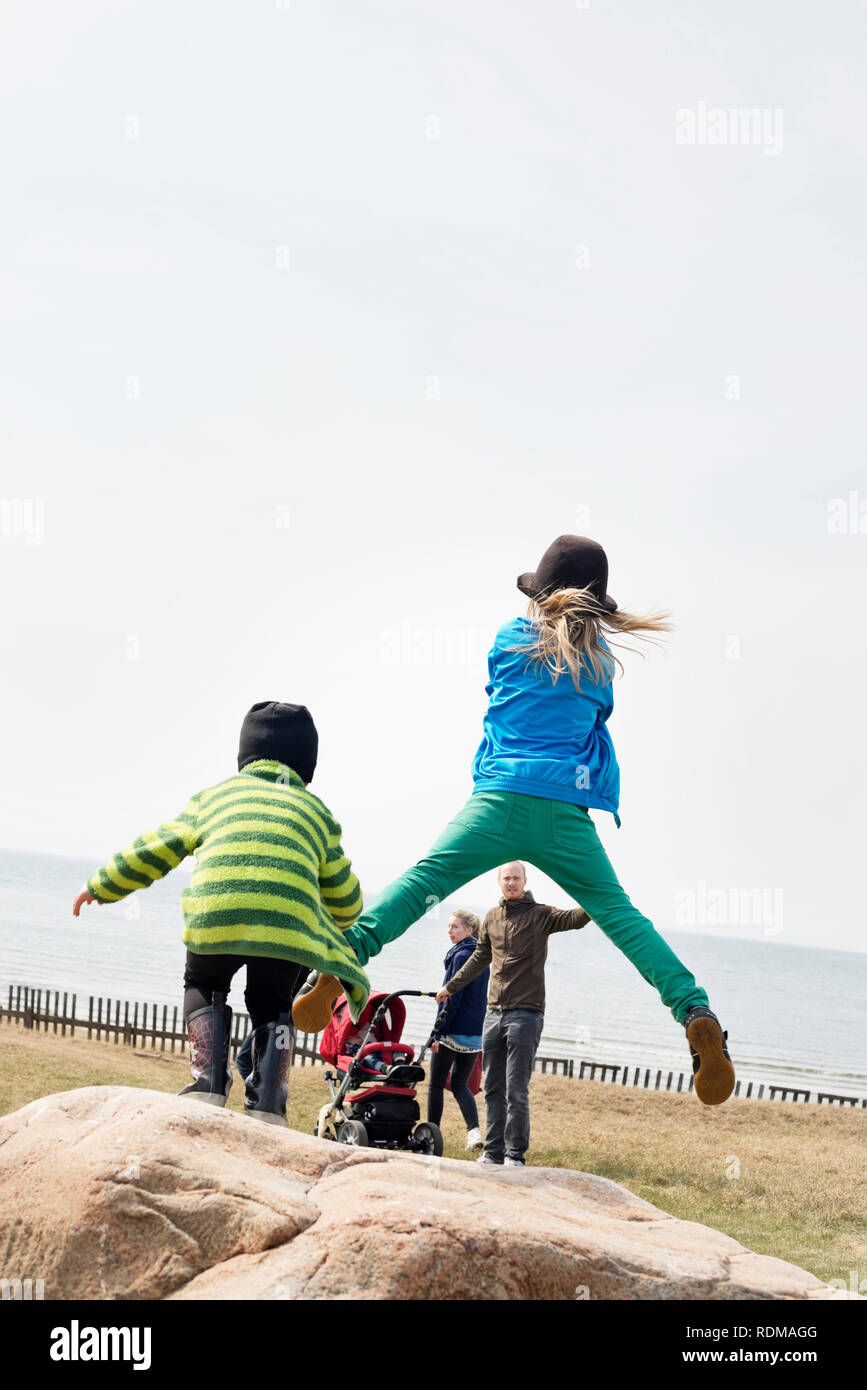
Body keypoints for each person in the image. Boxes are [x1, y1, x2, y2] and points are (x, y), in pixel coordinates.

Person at [306, 535, 734, 1106]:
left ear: (541, 593)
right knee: (620, 916)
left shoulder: (510, 638)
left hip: (498, 801)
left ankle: (346, 956)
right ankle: (693, 1009)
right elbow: (595, 720)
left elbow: (497, 700)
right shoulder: (601, 662)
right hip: (565, 813)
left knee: (424, 880)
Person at [72, 701, 370, 1127]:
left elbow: (156, 848)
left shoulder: (214, 798)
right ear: (308, 766)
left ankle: (208, 1084)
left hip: (217, 913)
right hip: (285, 930)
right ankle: (268, 1100)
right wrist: (341, 922)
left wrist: (102, 884)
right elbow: (346, 900)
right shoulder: (317, 813)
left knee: (204, 983)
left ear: (244, 756)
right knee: (273, 1002)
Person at [437, 863, 588, 1166]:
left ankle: (514, 1155)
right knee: (493, 1087)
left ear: (525, 881)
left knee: (516, 1090)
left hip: (526, 1014)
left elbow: (576, 918)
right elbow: (480, 957)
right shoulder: (492, 916)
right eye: (506, 878)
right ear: (499, 882)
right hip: (493, 1014)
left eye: (516, 878)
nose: (511, 883)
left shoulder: (542, 915)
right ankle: (492, 1152)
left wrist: (593, 892)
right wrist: (451, 987)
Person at [428, 909, 489, 1151]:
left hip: (453, 1030)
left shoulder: (461, 955)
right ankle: (474, 1134)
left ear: (470, 930)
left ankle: (432, 1134)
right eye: (449, 926)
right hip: (475, 1032)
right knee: (460, 1084)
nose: (450, 931)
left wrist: (437, 1032)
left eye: (455, 927)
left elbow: (452, 997)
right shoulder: (482, 956)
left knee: (435, 1084)